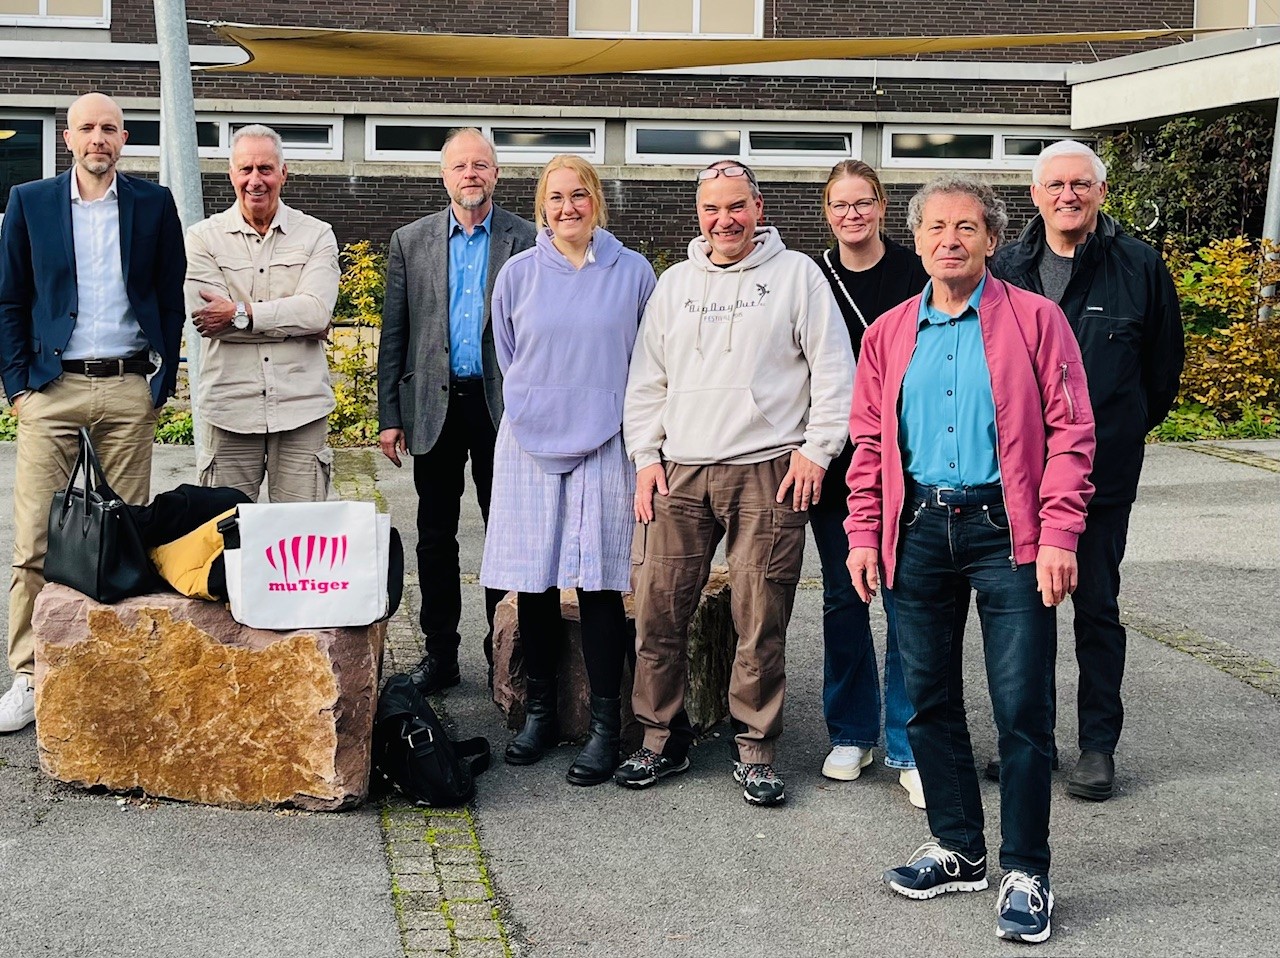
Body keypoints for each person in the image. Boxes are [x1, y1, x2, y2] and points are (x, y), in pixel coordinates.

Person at [845, 176, 1095, 943]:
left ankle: (1026, 868)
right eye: (935, 228)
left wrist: (1059, 534)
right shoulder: (889, 332)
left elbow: (1072, 433)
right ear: (916, 241)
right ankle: (958, 849)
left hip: (1007, 528)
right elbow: (868, 443)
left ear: (992, 239)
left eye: (966, 227)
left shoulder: (1037, 321)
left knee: (1022, 709)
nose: (949, 239)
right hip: (917, 527)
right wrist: (862, 532)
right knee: (926, 700)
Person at [620, 160, 853, 807]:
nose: (724, 221)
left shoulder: (797, 277)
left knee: (760, 619)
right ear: (698, 215)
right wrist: (645, 456)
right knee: (660, 614)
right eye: (711, 209)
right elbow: (647, 381)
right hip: (681, 471)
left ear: (758, 206)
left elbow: (837, 373)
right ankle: (658, 741)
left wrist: (817, 452)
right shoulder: (674, 285)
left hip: (769, 472)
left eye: (736, 207)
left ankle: (755, 750)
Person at [991, 140, 1184, 801]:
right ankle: (1032, 741)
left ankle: (1096, 746)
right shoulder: (1009, 268)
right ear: (1036, 195)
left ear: (1101, 193)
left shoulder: (1138, 266)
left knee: (1096, 609)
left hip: (1101, 478)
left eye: (1081, 184)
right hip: (1019, 479)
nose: (1068, 195)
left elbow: (1161, 375)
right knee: (1024, 612)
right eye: (1056, 184)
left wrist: (1119, 431)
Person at [0, 92, 184, 733]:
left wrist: (158, 383)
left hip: (126, 387)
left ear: (124, 137)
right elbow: (10, 299)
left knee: (122, 540)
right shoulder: (30, 203)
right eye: (86, 128)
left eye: (108, 128)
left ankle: (112, 667)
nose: (97, 138)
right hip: (52, 391)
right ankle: (28, 673)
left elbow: (168, 294)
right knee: (36, 542)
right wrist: (19, 386)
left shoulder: (153, 205)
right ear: (69, 138)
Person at [480, 156, 656, 785]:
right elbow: (506, 352)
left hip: (607, 441)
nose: (567, 208)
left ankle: (607, 726)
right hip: (530, 441)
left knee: (602, 583)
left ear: (596, 200)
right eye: (555, 198)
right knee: (535, 579)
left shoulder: (633, 272)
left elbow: (649, 360)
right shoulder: (518, 275)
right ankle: (540, 713)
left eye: (578, 195)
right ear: (541, 206)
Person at [378, 128, 537, 694]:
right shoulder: (410, 241)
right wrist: (388, 416)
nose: (470, 174)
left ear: (496, 173)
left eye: (481, 164)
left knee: (505, 535)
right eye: (459, 166)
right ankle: (441, 654)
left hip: (504, 410)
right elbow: (394, 334)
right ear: (444, 176)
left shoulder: (528, 238)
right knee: (434, 535)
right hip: (433, 408)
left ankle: (504, 655)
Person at [811, 159, 928, 807]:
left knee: (907, 600)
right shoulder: (812, 277)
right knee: (843, 600)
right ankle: (851, 732)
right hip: (837, 465)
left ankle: (909, 742)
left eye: (863, 203)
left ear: (883, 206)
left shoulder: (916, 273)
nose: (852, 214)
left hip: (906, 462)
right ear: (826, 213)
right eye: (840, 205)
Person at [184, 124, 339, 502]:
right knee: (222, 536)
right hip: (229, 409)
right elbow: (207, 321)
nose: (256, 180)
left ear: (283, 173)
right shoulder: (202, 237)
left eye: (266, 169)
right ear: (231, 174)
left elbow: (317, 312)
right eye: (246, 169)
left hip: (301, 410)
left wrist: (239, 313)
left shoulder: (317, 235)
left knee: (302, 541)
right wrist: (292, 323)